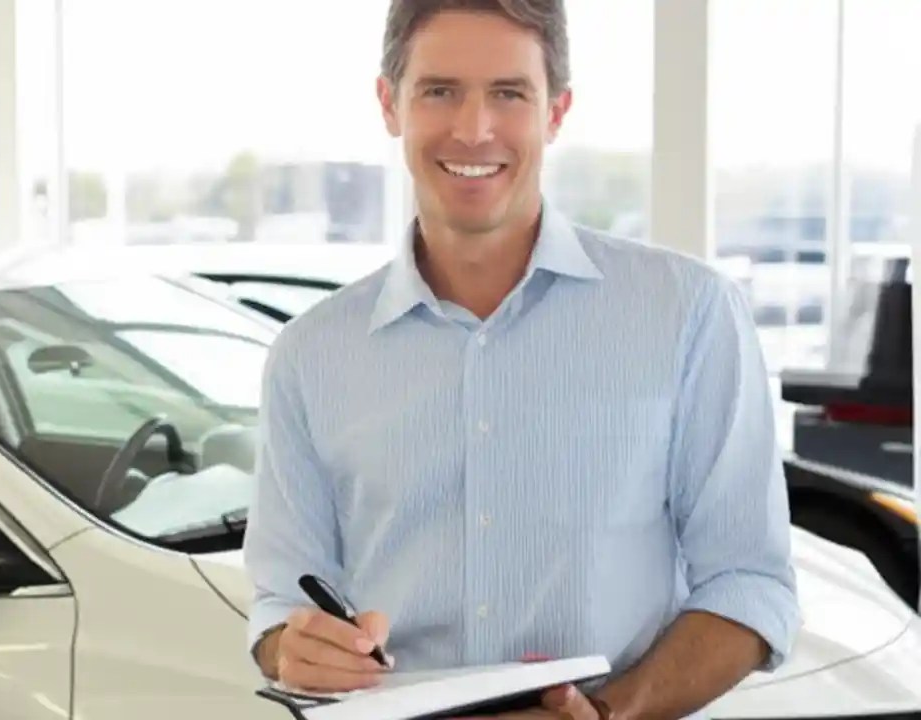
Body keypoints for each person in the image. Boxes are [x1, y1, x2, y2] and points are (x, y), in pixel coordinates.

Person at [241, 1, 800, 718]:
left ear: (556, 112)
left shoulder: (689, 314)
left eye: (509, 93)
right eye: (440, 91)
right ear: (390, 103)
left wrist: (608, 714)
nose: (474, 128)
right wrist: (292, 645)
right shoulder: (309, 355)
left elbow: (752, 583)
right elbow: (281, 601)